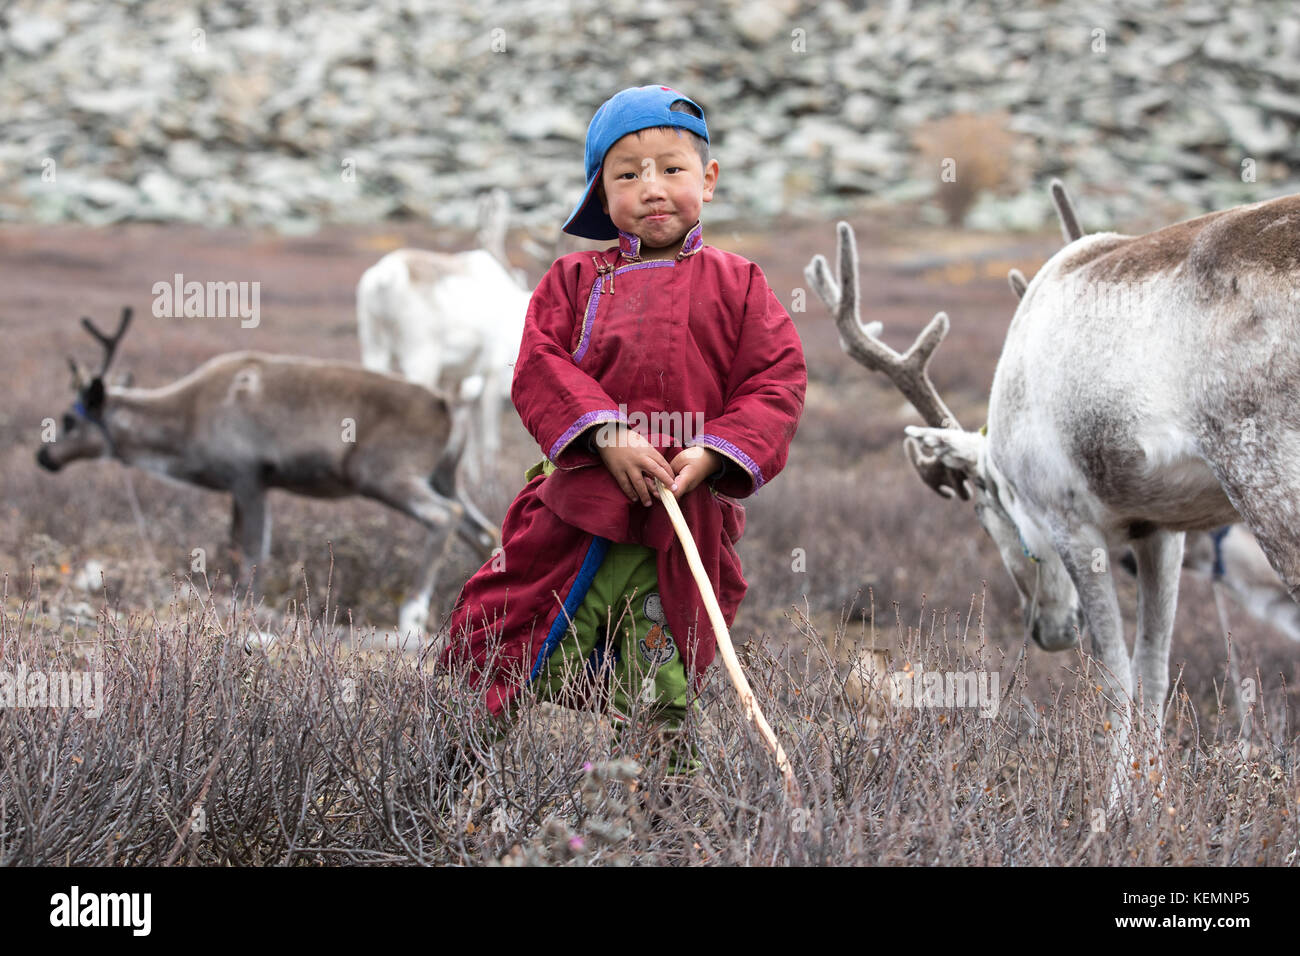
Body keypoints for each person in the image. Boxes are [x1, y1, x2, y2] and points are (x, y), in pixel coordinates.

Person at [443, 85, 806, 775]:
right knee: (502, 645)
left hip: (681, 525)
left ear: (709, 178)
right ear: (600, 194)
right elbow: (538, 365)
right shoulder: (572, 280)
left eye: (672, 169)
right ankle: (442, 781)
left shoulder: (741, 285)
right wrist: (605, 433)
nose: (652, 189)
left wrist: (715, 451)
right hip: (576, 518)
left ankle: (656, 817)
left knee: (660, 688)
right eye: (627, 174)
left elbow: (775, 382)